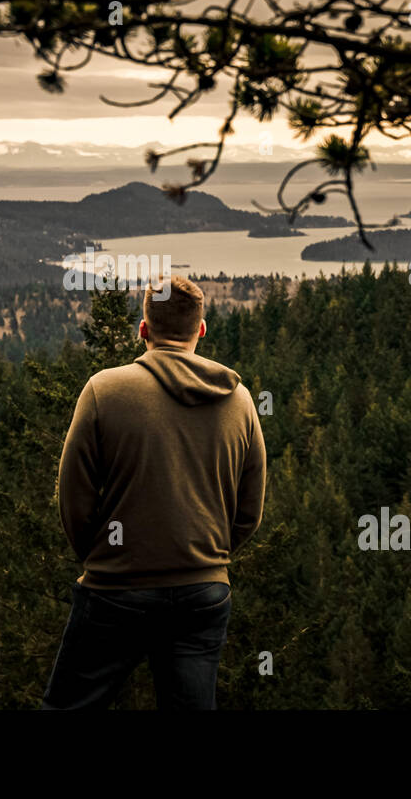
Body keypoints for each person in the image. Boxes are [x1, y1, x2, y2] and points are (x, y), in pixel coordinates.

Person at [42, 275, 267, 709]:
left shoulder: (104, 391)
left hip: (115, 590)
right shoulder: (239, 403)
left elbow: (73, 499)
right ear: (200, 330)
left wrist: (101, 555)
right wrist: (206, 554)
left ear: (143, 329)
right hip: (203, 593)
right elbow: (249, 511)